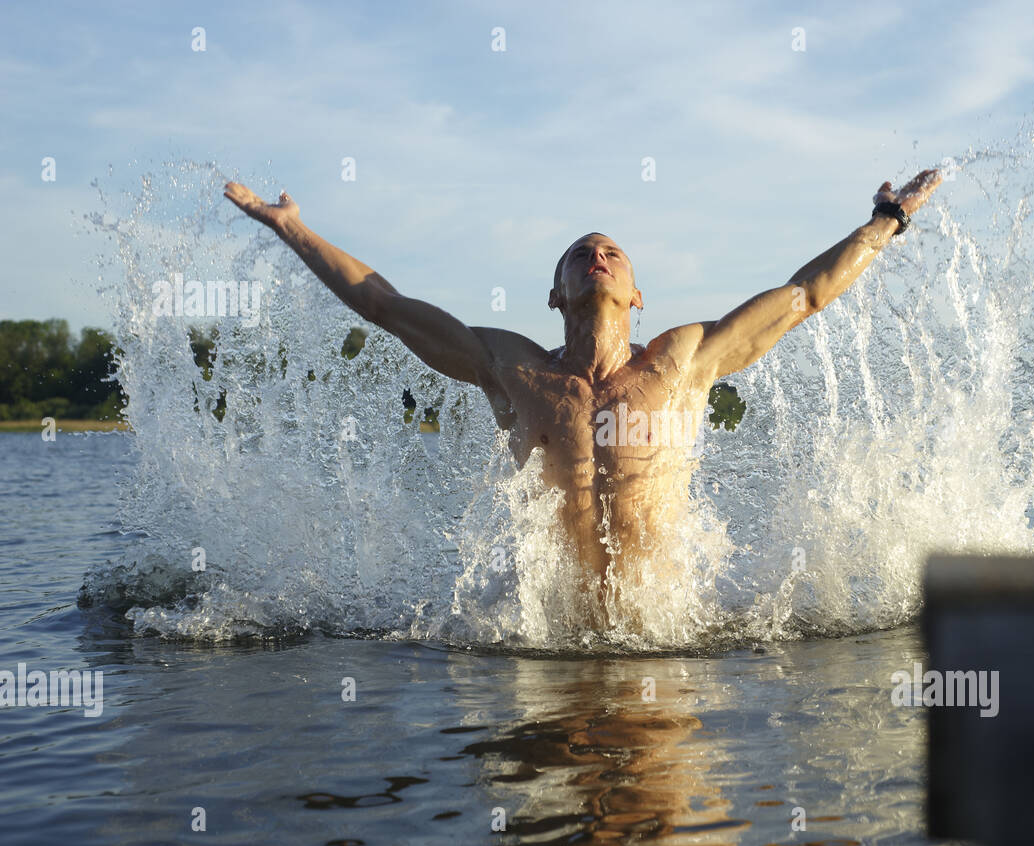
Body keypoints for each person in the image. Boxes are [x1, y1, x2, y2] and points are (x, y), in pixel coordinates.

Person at [224, 170, 942, 616]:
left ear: (635, 294)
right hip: (552, 634)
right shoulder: (509, 365)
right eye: (580, 254)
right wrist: (294, 229)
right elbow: (384, 304)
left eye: (611, 254)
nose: (597, 257)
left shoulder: (686, 359)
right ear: (556, 292)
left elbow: (803, 296)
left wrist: (887, 222)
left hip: (662, 637)